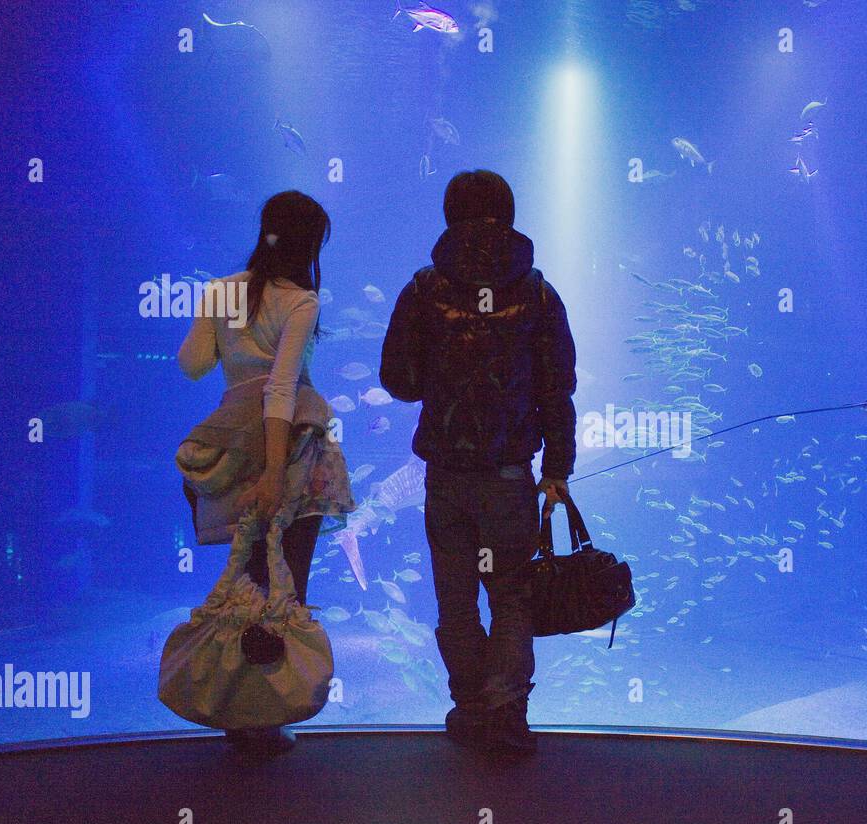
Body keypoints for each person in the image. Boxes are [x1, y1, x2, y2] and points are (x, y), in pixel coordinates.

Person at [380, 170, 577, 754]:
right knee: (512, 596)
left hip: (448, 477)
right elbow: (557, 389)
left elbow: (399, 380)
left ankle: (469, 706)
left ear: (449, 217)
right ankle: (506, 713)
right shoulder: (538, 295)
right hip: (512, 477)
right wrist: (557, 471)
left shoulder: (424, 290)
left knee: (456, 598)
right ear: (510, 216)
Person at [178, 190, 355, 755]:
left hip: (232, 439)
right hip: (289, 445)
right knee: (286, 581)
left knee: (246, 581)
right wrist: (276, 470)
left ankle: (239, 714)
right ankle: (267, 714)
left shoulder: (224, 291)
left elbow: (192, 365)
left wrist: (226, 330)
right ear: (308, 244)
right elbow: (282, 386)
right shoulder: (300, 300)